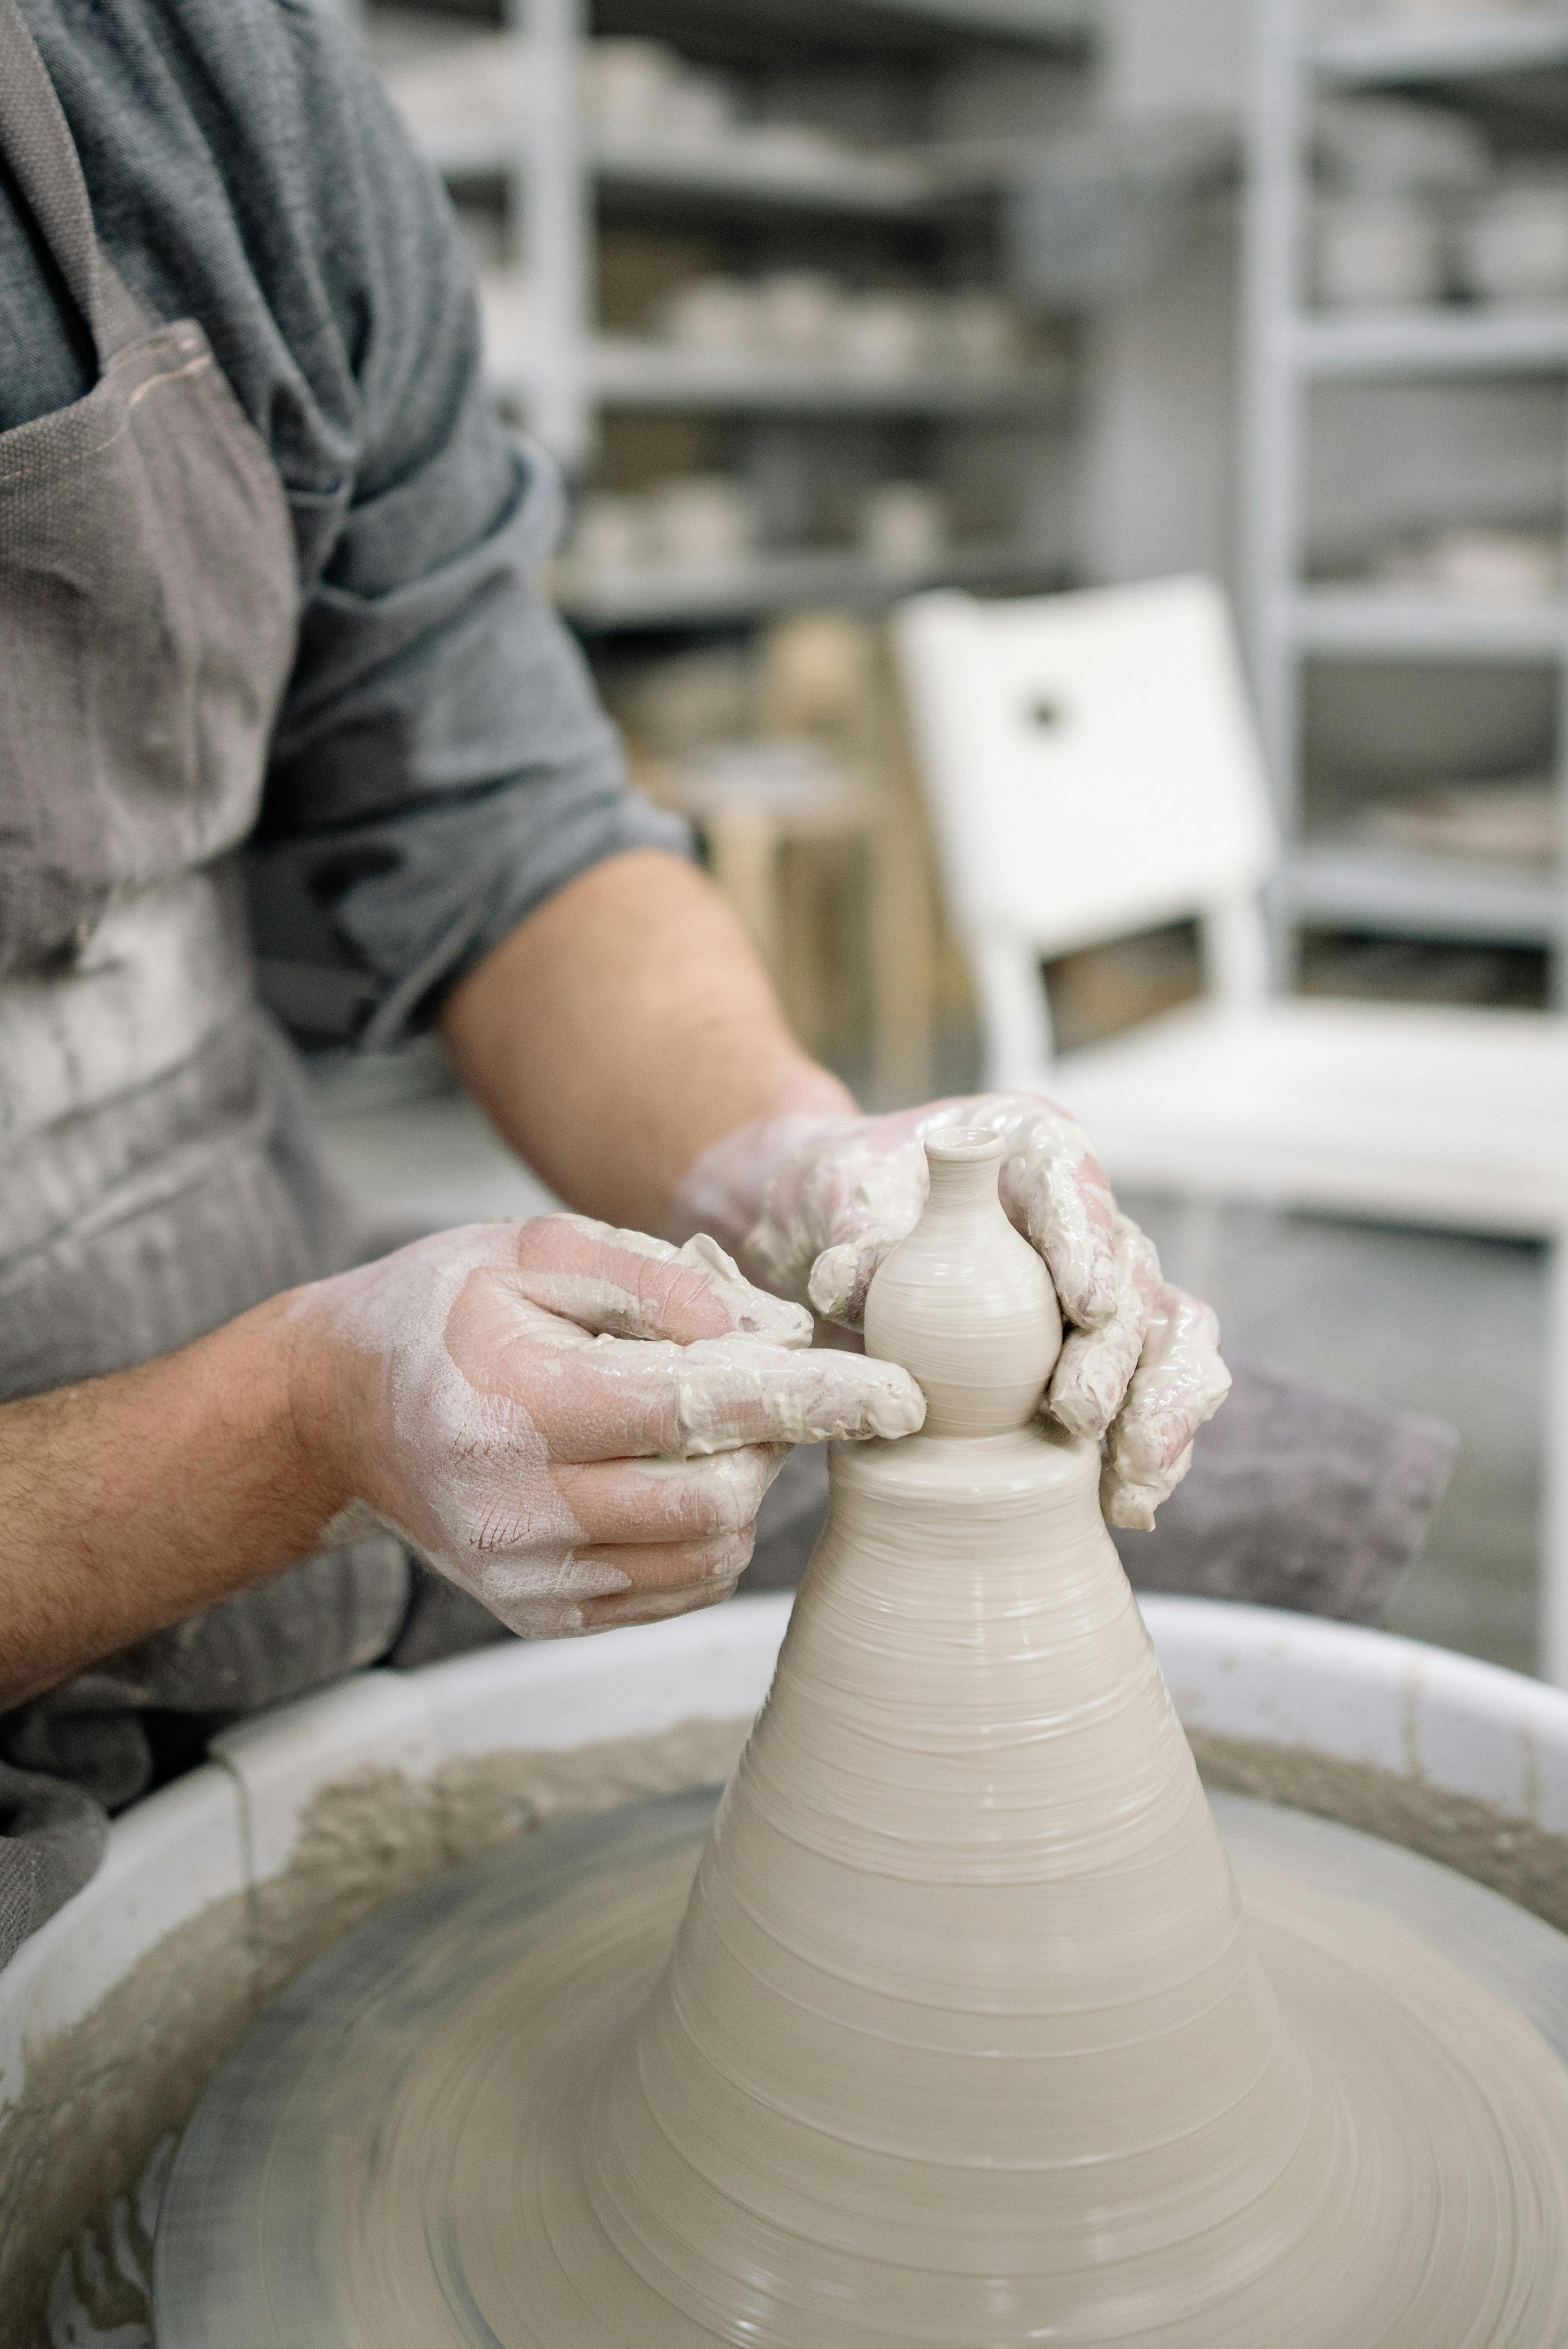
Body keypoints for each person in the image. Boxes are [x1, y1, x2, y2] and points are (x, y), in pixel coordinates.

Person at [0, 0, 1440, 1972]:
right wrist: (284, 1433)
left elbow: (498, 818)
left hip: (256, 1311)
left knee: (1251, 1501)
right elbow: (283, 1429)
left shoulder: (201, 78)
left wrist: (782, 1156)